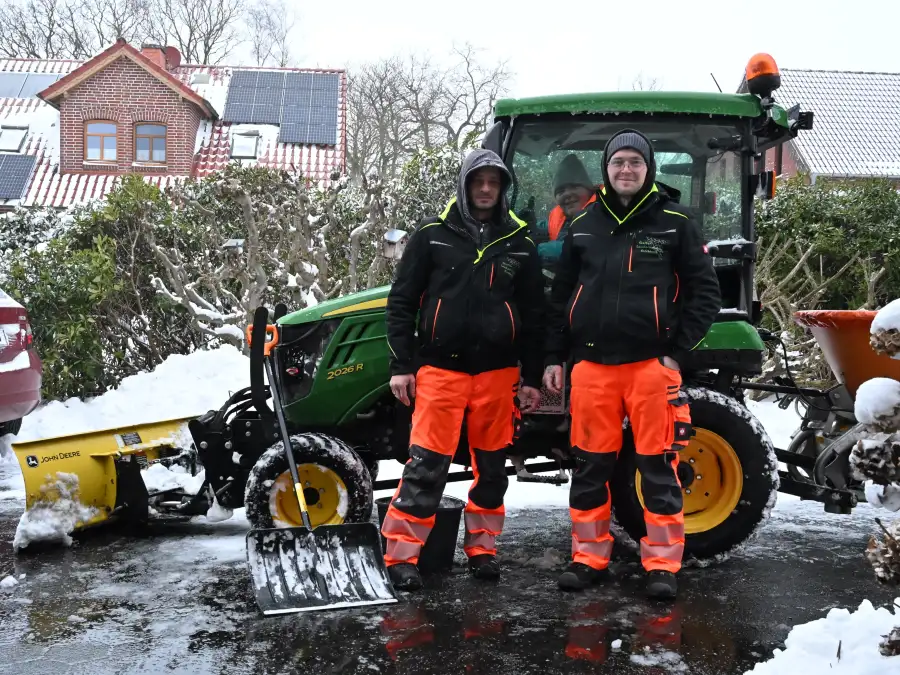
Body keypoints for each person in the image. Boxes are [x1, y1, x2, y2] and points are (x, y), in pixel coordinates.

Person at [543, 129, 721, 599]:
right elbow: (561, 298)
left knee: (659, 466)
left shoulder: (676, 223)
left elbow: (705, 294)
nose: (626, 170)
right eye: (618, 162)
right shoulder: (582, 226)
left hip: (649, 368)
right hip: (593, 369)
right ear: (606, 169)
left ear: (648, 169)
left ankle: (662, 564)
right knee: (590, 467)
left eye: (634, 163)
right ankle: (588, 557)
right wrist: (555, 356)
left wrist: (676, 352)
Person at [382, 148, 545, 591]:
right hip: (439, 372)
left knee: (491, 469)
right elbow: (401, 302)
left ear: (504, 187)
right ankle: (400, 555)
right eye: (478, 181)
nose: (486, 188)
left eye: (494, 181)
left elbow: (535, 316)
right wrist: (402, 364)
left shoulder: (521, 242)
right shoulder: (431, 236)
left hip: (497, 376)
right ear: (465, 184)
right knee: (426, 465)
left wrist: (530, 377)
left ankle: (483, 549)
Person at [537, 154, 598, 265]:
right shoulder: (562, 215)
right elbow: (550, 226)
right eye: (560, 192)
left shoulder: (603, 211)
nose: (568, 194)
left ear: (589, 189)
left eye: (574, 187)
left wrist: (562, 249)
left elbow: (600, 244)